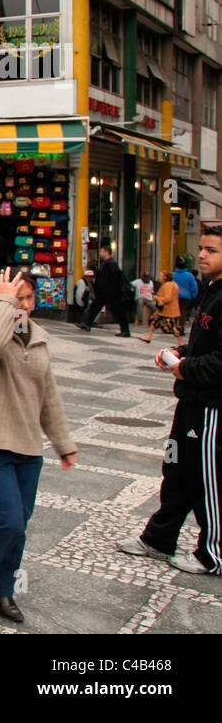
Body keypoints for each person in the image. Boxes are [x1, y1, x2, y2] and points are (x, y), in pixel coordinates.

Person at [0, 268, 78, 624]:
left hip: (28, 450)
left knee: (20, 525)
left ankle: (5, 588)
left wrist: (63, 444)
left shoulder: (39, 338)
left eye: (28, 298)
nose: (23, 306)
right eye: (17, 297)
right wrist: (4, 304)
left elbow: (49, 397)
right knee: (7, 520)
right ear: (0, 299)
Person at [119, 224, 222, 576]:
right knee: (177, 471)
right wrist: (178, 352)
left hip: (213, 407)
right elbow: (202, 345)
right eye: (203, 249)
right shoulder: (210, 289)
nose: (202, 255)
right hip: (191, 401)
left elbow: (220, 361)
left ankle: (214, 554)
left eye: (211, 250)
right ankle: (159, 539)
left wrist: (185, 366)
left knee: (209, 479)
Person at [78, 243, 131, 336]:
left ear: (106, 252)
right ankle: (88, 324)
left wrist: (111, 290)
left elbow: (114, 278)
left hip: (111, 292)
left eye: (102, 251)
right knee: (95, 306)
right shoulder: (107, 263)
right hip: (106, 292)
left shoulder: (111, 263)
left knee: (118, 311)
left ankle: (125, 331)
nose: (100, 253)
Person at [141, 269, 184, 347]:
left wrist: (157, 298)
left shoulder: (168, 285)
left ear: (165, 277)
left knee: (173, 326)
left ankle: (181, 342)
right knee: (154, 321)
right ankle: (149, 337)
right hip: (166, 310)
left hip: (168, 311)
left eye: (161, 276)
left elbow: (167, 298)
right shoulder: (172, 284)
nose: (159, 277)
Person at [174, 256, 199, 327]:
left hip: (175, 295)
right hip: (186, 296)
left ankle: (174, 326)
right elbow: (194, 287)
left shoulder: (173, 275)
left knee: (175, 311)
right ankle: (180, 327)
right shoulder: (189, 275)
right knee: (183, 312)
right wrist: (193, 296)